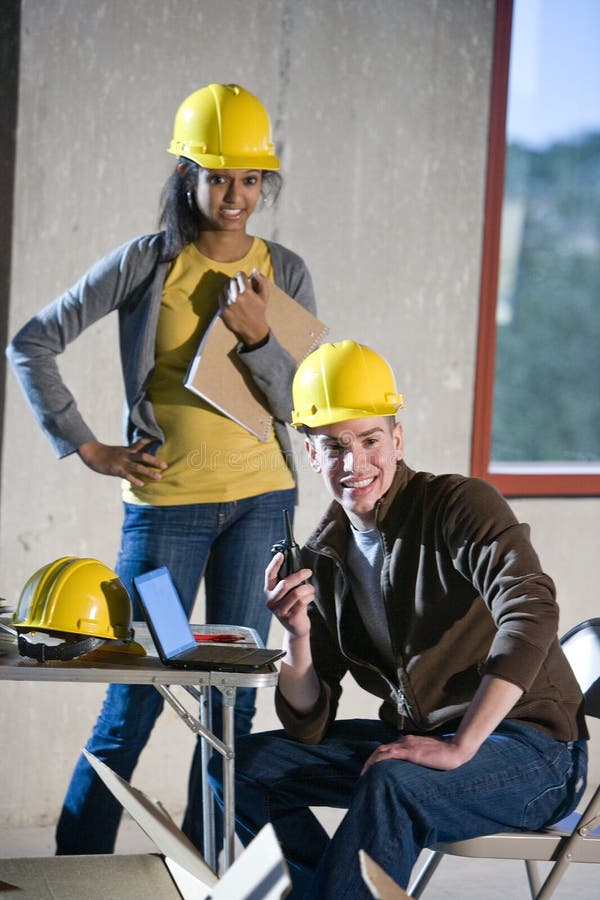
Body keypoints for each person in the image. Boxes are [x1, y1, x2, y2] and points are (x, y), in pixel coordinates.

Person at [6, 82, 316, 855]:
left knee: (230, 712)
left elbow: (301, 403)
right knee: (135, 698)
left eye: (249, 179)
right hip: (168, 513)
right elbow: (32, 342)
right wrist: (87, 444)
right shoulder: (149, 264)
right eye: (218, 176)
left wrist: (255, 337)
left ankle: (205, 872)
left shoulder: (287, 274)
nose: (235, 195)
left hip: (260, 509)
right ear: (187, 175)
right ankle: (78, 872)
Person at [208, 340, 588, 898]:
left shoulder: (460, 506)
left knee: (393, 783)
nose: (354, 463)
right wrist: (297, 637)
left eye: (370, 440)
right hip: (421, 740)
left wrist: (461, 747)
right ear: (311, 455)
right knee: (240, 767)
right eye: (333, 447)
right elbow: (308, 727)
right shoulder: (324, 556)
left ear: (397, 439)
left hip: (533, 754)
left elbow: (531, 609)